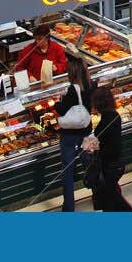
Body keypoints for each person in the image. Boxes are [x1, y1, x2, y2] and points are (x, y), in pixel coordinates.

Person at [53, 56, 94, 211]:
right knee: (90, 165)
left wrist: (57, 103)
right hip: (87, 132)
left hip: (70, 136)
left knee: (68, 171)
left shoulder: (72, 90)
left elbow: (62, 110)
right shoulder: (91, 85)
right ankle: (99, 194)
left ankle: (69, 207)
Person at [85, 86, 132, 211]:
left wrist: (88, 145)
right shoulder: (113, 115)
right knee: (112, 198)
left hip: (110, 165)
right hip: (116, 163)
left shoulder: (106, 120)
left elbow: (99, 142)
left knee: (112, 200)